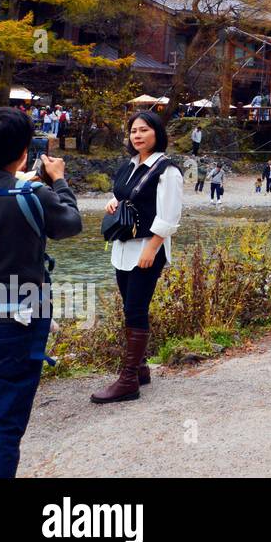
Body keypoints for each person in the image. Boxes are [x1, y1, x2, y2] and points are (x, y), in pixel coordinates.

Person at [0, 107, 82, 477]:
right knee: (2, 425)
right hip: (16, 319)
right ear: (25, 151)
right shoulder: (32, 194)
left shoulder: (24, 190)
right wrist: (56, 182)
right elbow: (70, 224)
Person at [94, 110, 184, 404]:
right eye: (133, 131)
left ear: (157, 133)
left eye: (144, 130)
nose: (137, 135)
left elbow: (170, 213)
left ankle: (128, 379)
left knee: (135, 309)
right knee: (130, 308)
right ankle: (141, 368)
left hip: (146, 249)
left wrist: (152, 247)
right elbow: (122, 195)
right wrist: (113, 201)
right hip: (123, 247)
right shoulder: (129, 166)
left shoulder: (167, 170)